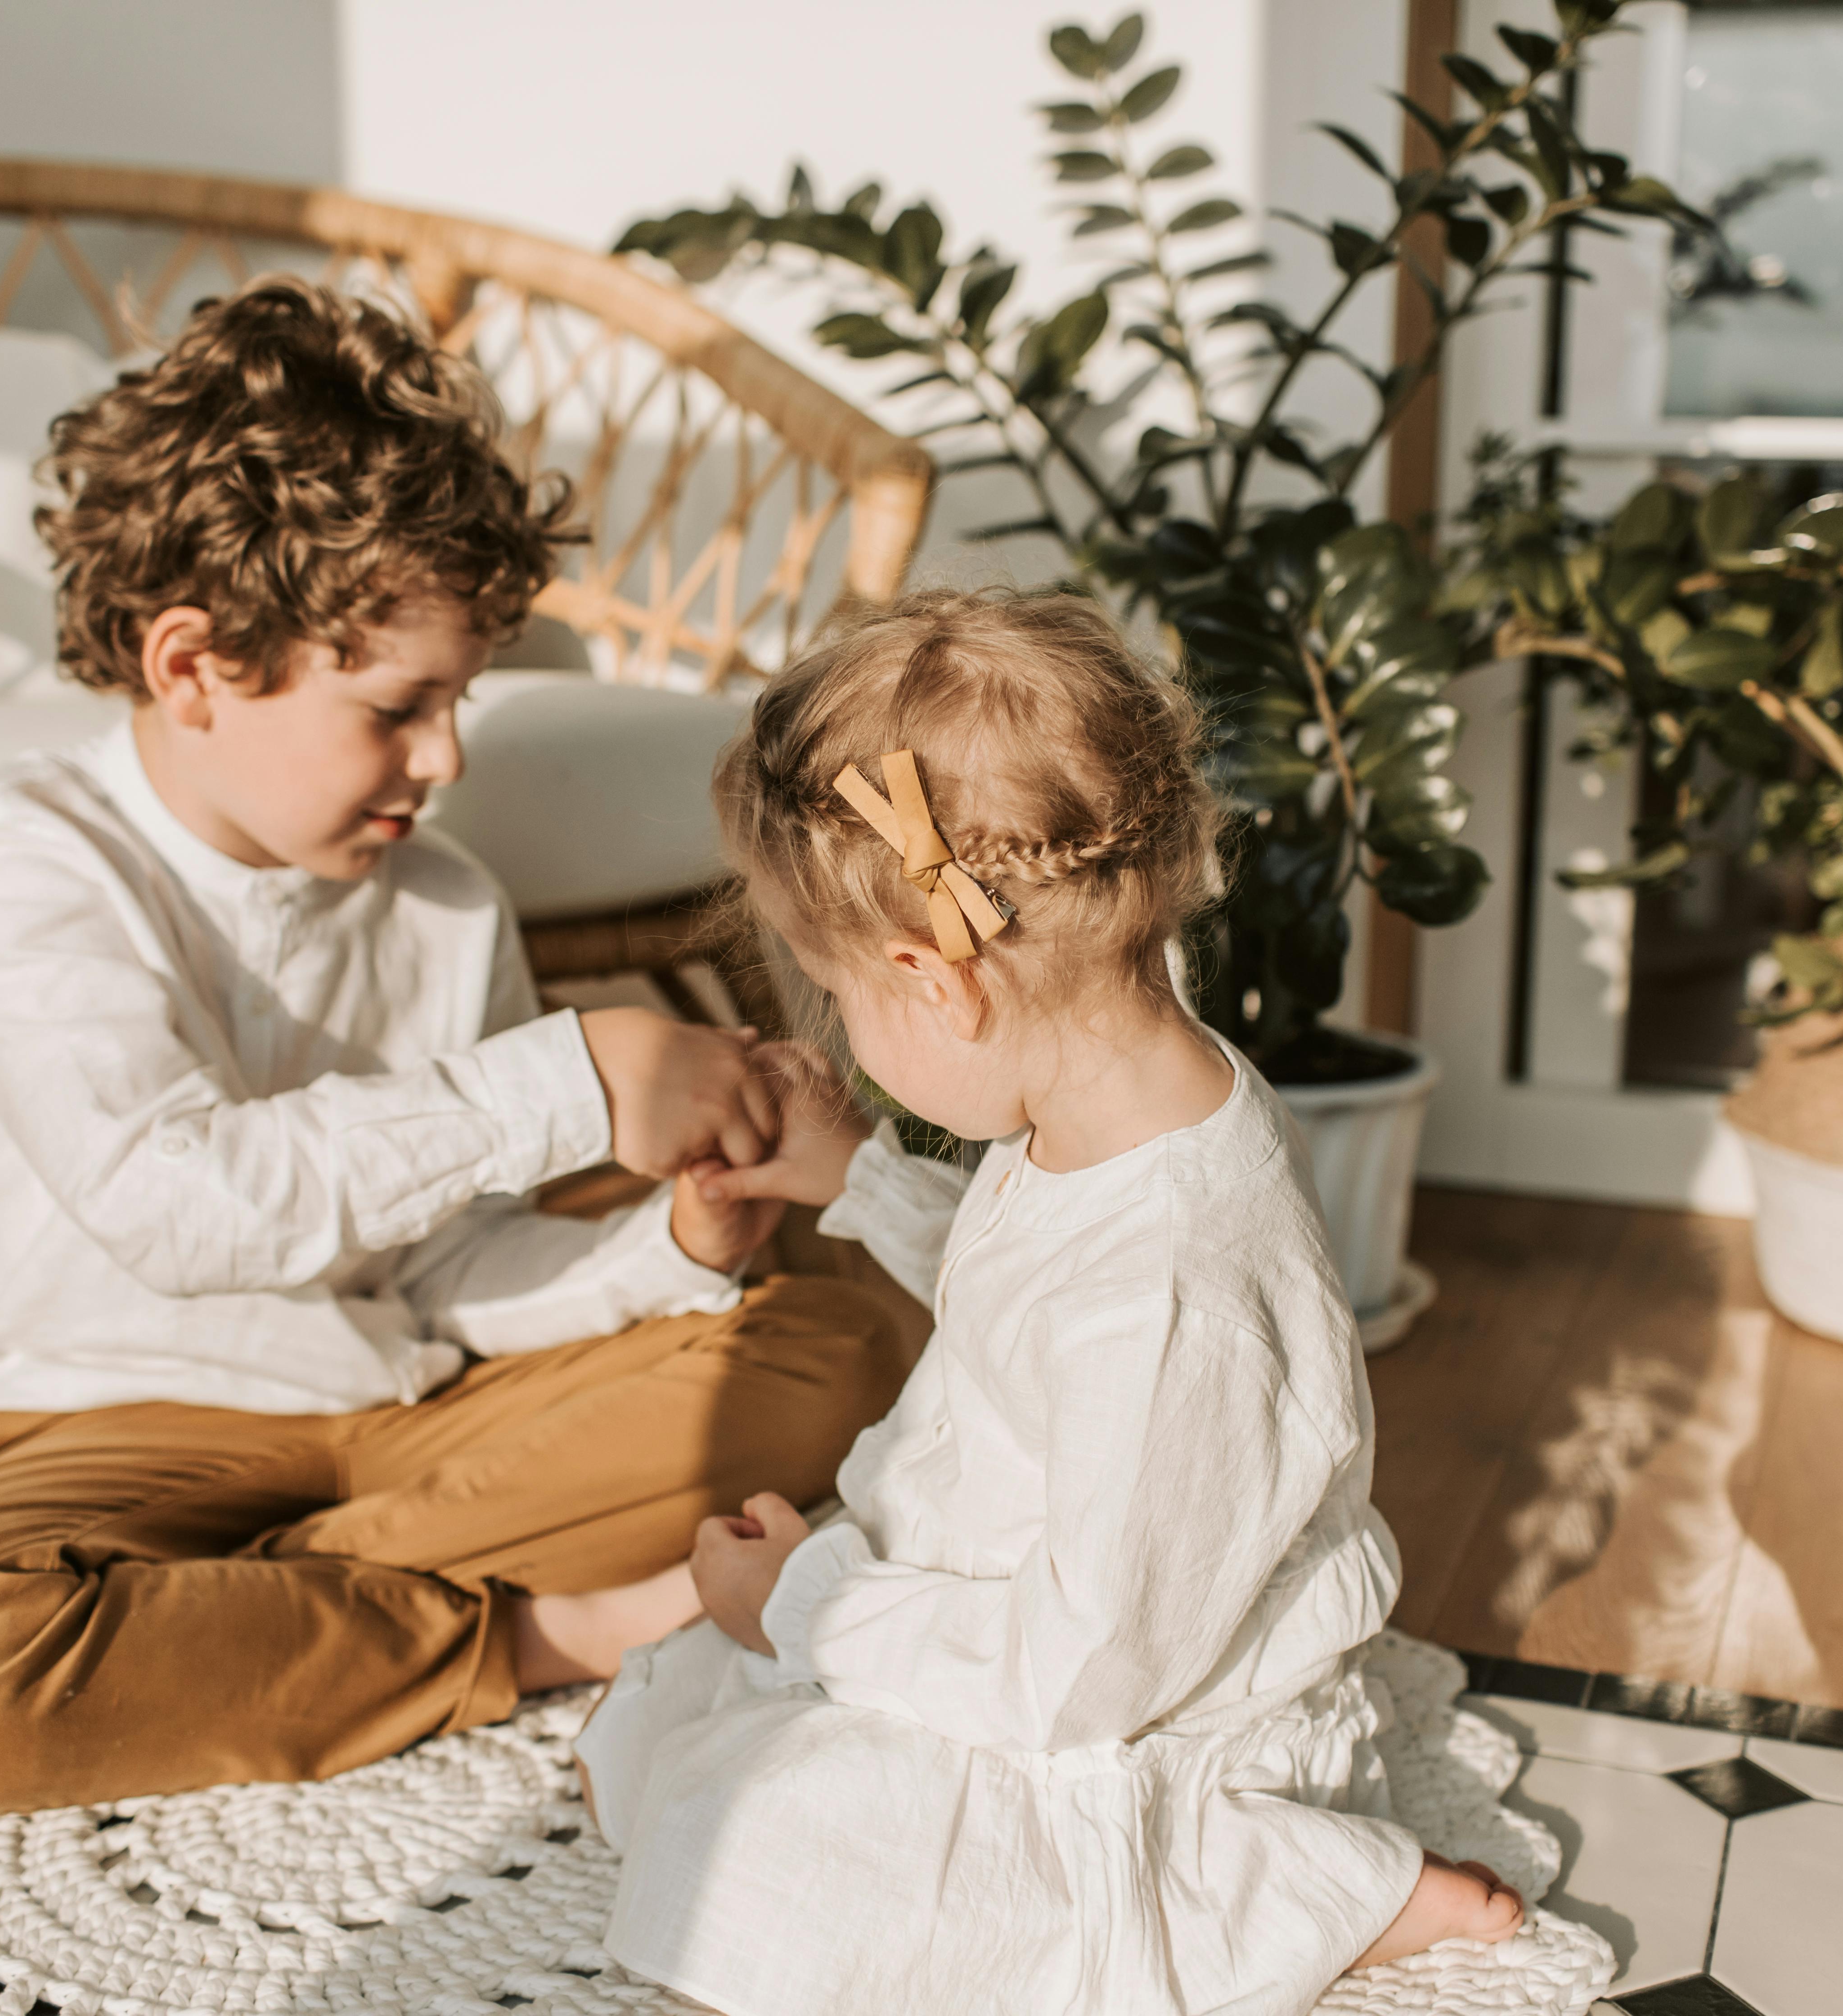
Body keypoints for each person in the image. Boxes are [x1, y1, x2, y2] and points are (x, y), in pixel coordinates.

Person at [0, 278, 907, 1819]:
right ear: (193, 665)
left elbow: (454, 1271)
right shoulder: (21, 861)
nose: (445, 759)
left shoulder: (443, 902)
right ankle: (544, 1630)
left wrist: (680, 1246)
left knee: (847, 1350)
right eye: (400, 707)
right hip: (114, 1422)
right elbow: (178, 1204)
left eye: (459, 701)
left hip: (417, 1419)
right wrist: (573, 1076)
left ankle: (214, 1618)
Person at [573, 589, 1524, 2016]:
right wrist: (862, 1179)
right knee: (683, 1720)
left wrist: (811, 1607)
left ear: (930, 982)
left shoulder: (1174, 1294)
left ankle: (1290, 1882)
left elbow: (1078, 1678)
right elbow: (1025, 1293)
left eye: (840, 999)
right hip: (1046, 1615)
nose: (846, 1034)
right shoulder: (1130, 1087)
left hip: (1123, 1703)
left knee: (761, 1853)